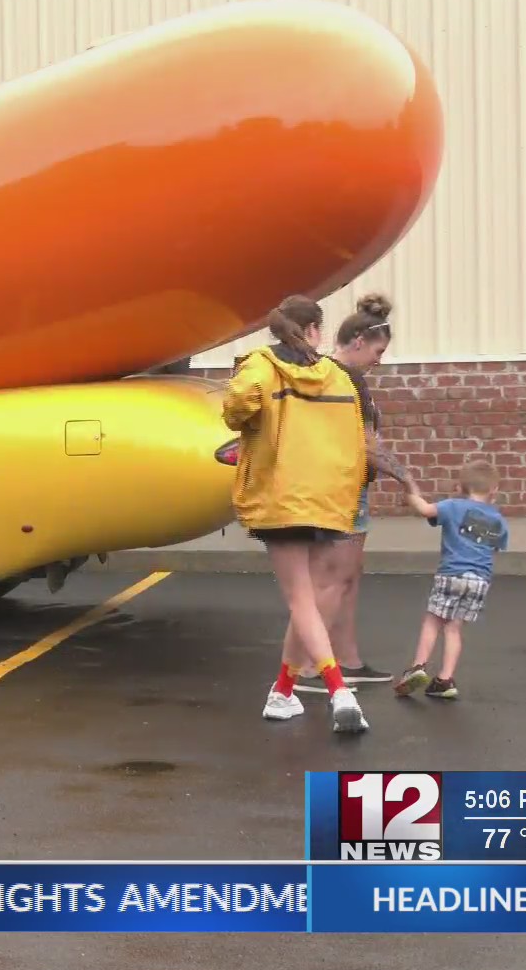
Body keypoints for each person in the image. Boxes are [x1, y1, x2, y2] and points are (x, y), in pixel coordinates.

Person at [222, 295, 372, 733]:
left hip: (279, 495)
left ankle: (339, 691)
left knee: (300, 599)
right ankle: (282, 693)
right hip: (324, 497)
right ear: (314, 331)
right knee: (303, 598)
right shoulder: (336, 376)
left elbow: (237, 410)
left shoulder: (260, 366)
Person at [290, 294, 410, 692]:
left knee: (348, 577)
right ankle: (310, 668)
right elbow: (366, 444)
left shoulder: (328, 373)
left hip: (343, 489)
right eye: (378, 350)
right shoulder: (345, 378)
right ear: (358, 340)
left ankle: (348, 660)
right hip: (338, 493)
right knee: (331, 580)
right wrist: (409, 483)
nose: (380, 359)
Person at [393, 460, 509, 700]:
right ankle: (444, 680)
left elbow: (425, 509)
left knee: (433, 621)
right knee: (454, 629)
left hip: (451, 574)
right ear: (494, 491)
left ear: (460, 487)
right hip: (480, 580)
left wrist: (410, 492)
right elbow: (495, 548)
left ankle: (418, 667)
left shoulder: (453, 506)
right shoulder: (498, 520)